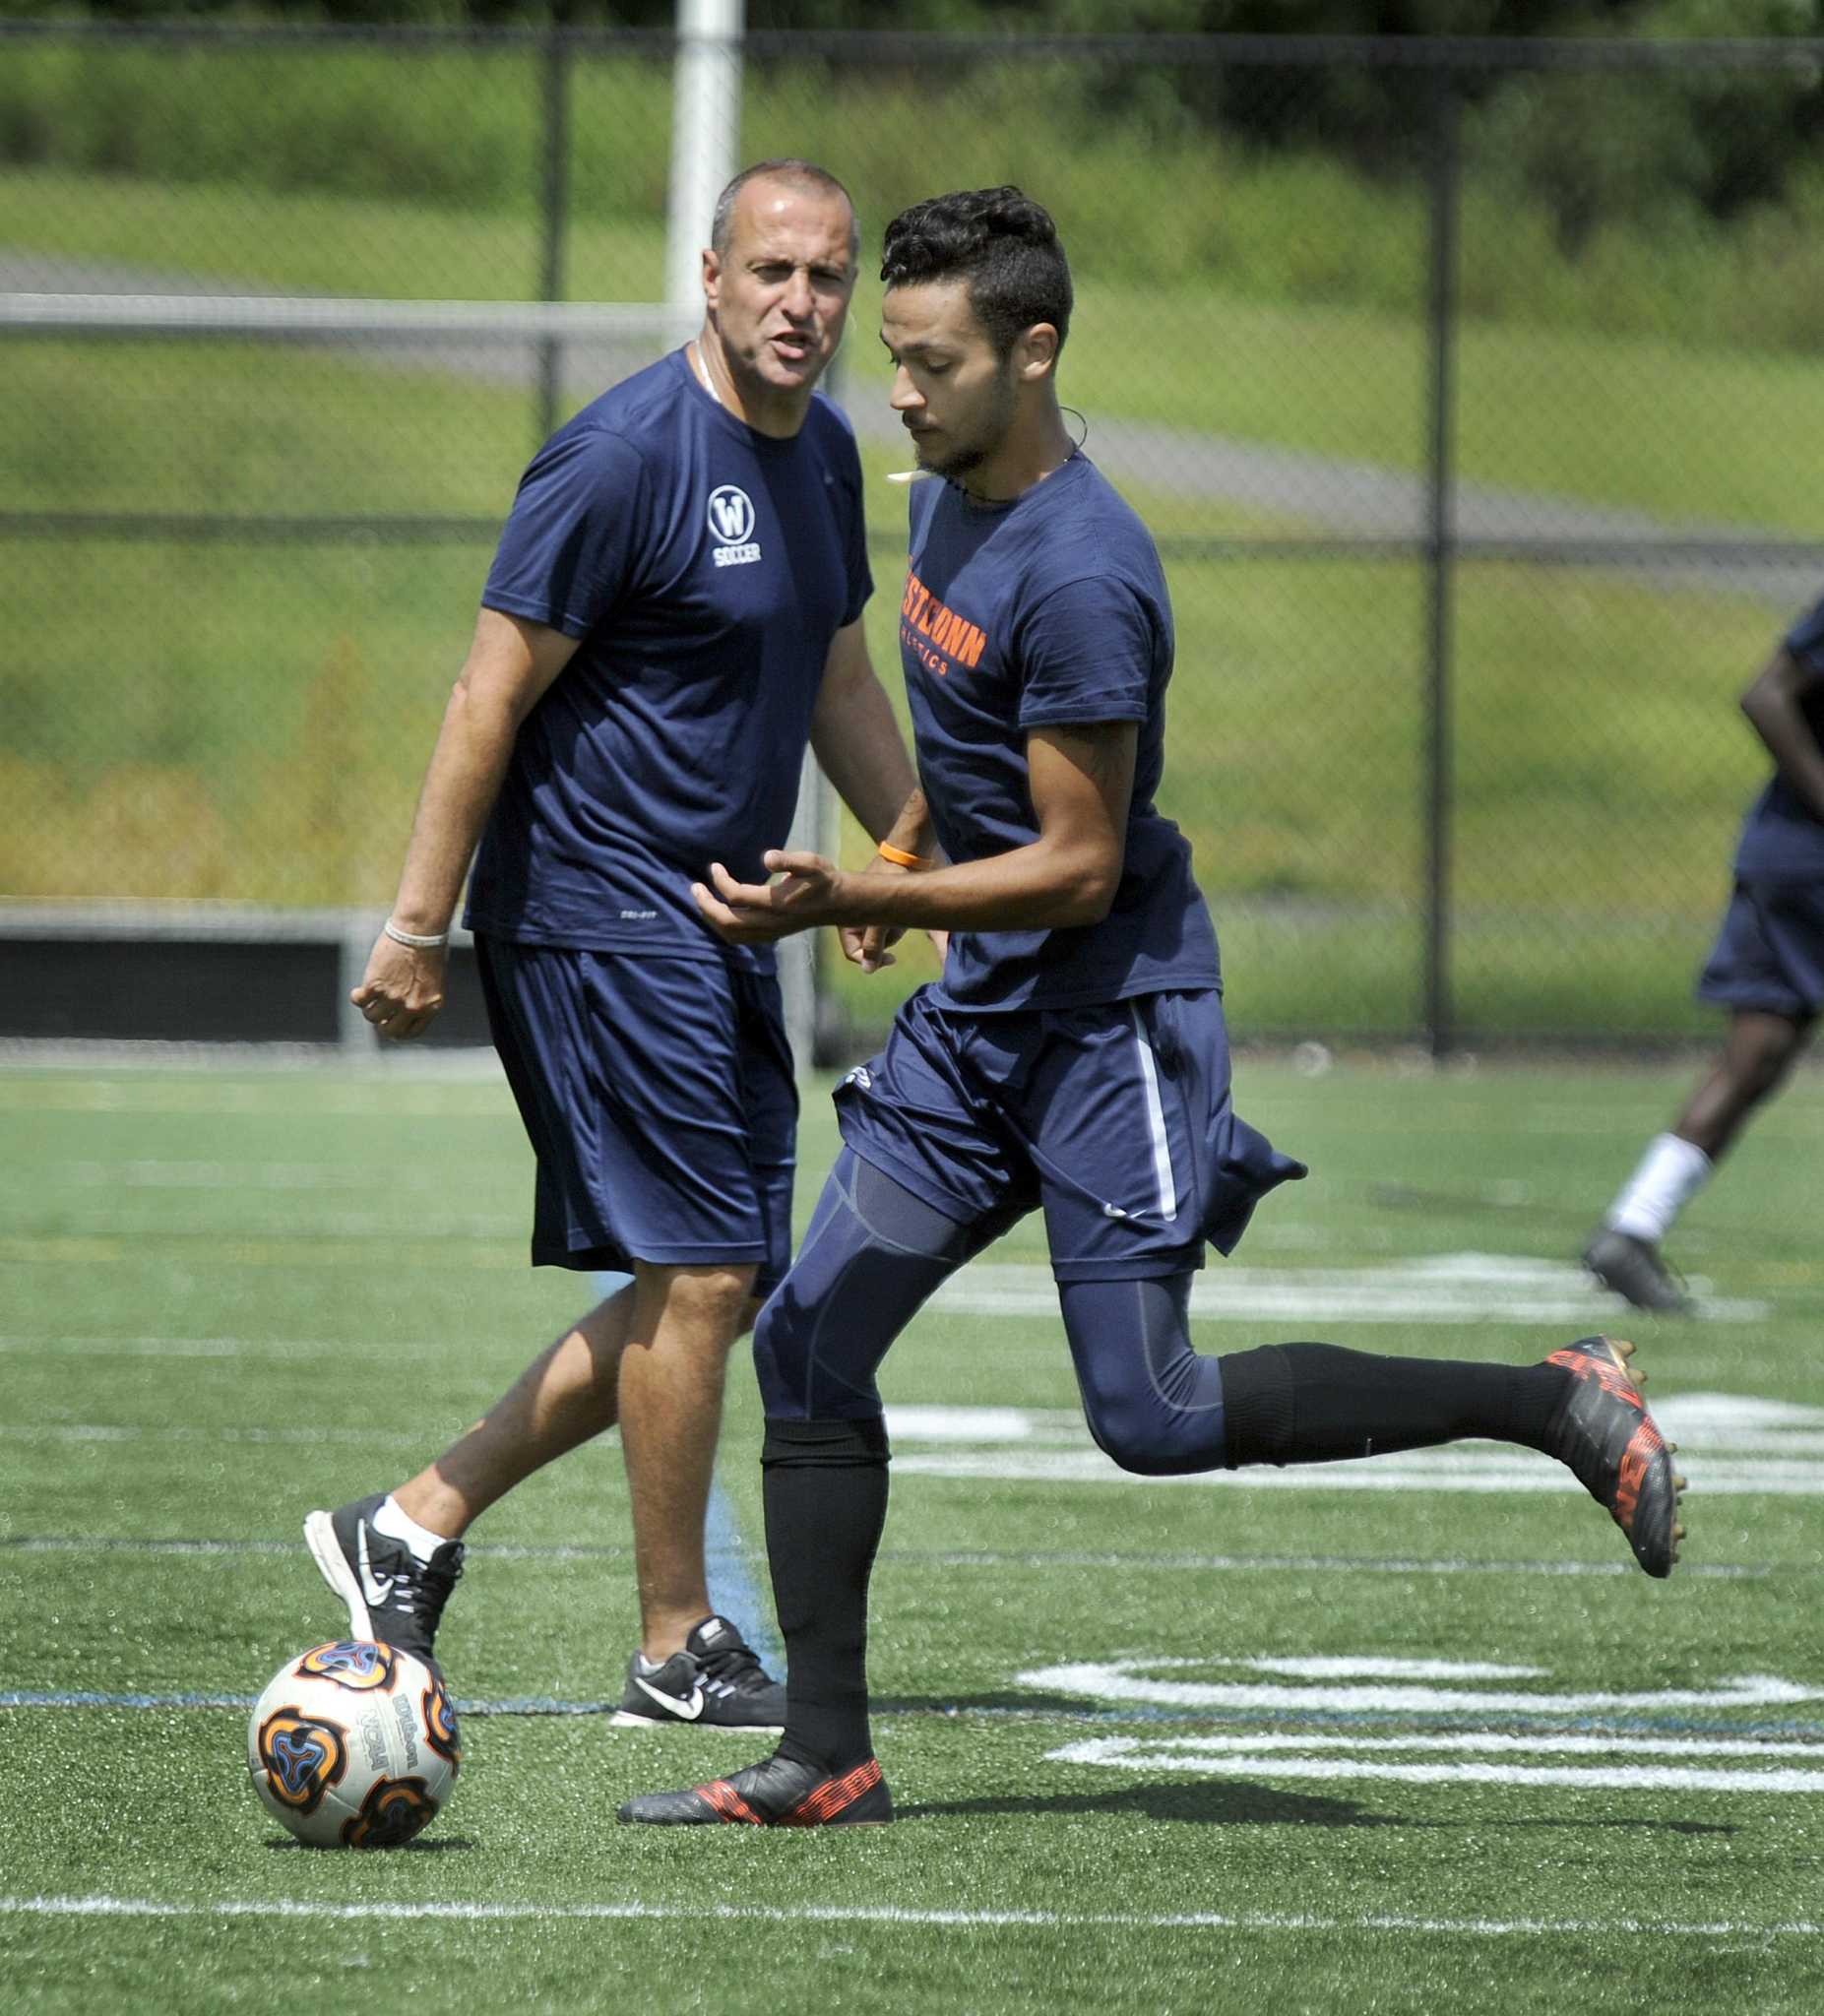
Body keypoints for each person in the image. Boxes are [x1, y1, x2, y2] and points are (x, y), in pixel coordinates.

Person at [616, 187, 1688, 1829]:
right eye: (887, 354)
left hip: (1105, 1018)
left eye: (926, 359)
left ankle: (1552, 1397)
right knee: (813, 1338)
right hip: (986, 1019)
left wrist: (861, 890)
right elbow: (978, 784)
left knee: (1153, 1413)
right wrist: (910, 834)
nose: (890, 386)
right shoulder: (950, 493)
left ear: (1029, 354)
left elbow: (1073, 865)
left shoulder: (1087, 574)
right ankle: (821, 1750)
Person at [303, 159, 923, 1732]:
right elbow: (485, 696)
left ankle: (413, 1523)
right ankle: (672, 1643)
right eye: (772, 272)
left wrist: (904, 852)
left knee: (707, 1286)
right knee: (707, 1271)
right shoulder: (621, 455)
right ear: (709, 279)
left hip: (727, 920)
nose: (801, 305)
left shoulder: (827, 458)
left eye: (828, 278)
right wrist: (414, 924)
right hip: (595, 910)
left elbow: (839, 676)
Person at [1583, 605, 1824, 1313]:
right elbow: (1766, 694)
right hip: (1803, 865)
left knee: (1761, 1052)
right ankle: (1630, 1230)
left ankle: (1630, 1229)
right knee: (1757, 1050)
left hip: (1796, 864)